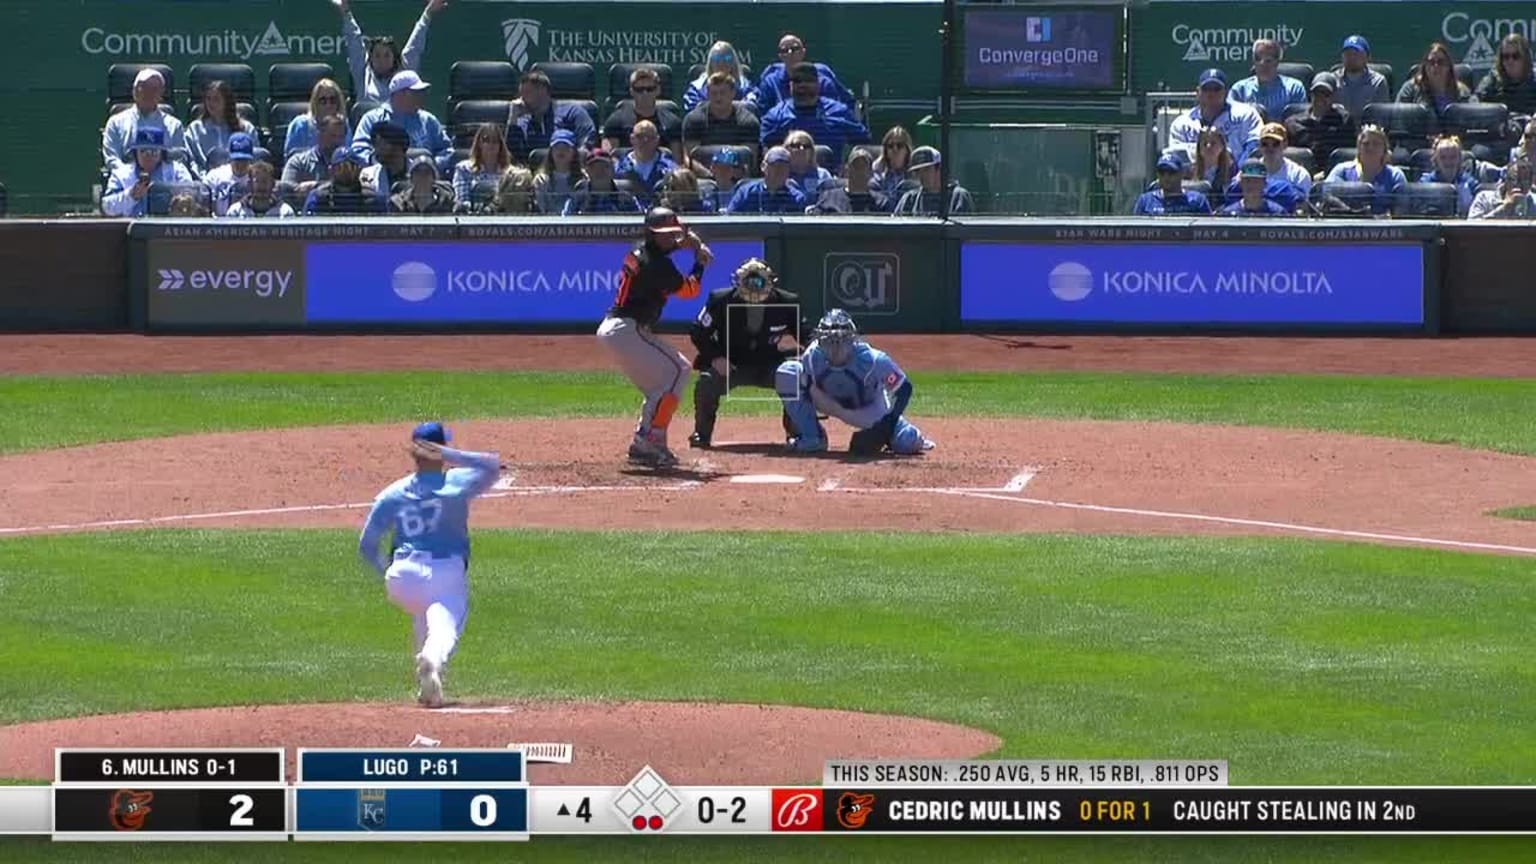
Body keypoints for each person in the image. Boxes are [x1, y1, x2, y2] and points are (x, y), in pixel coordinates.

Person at [357, 422, 500, 708]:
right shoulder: (456, 483)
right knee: (448, 620)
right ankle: (432, 659)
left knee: (426, 610)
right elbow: (491, 466)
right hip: (444, 571)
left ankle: (429, 689)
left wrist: (387, 570)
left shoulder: (393, 493)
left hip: (401, 576)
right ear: (441, 450)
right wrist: (450, 453)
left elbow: (367, 545)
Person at [595, 207, 714, 467]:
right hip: (627, 328)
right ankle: (651, 439)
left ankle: (645, 441)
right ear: (651, 233)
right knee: (679, 370)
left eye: (673, 233)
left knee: (660, 386)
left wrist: (685, 243)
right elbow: (690, 290)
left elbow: (664, 249)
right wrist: (700, 261)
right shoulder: (655, 264)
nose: (671, 238)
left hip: (620, 329)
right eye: (665, 234)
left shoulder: (643, 251)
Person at [775, 309, 934, 455]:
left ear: (853, 340)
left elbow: (904, 388)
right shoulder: (811, 356)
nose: (835, 348)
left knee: (908, 441)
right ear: (818, 340)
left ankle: (905, 437)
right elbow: (801, 388)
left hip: (866, 409)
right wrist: (796, 417)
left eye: (841, 341)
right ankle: (812, 438)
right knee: (788, 371)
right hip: (826, 399)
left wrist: (885, 426)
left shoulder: (873, 360)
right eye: (829, 341)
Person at [688, 258, 802, 448]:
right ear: (738, 281)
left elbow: (805, 333)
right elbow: (698, 331)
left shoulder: (787, 302)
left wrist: (810, 351)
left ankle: (797, 433)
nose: (754, 287)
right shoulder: (720, 300)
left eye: (759, 282)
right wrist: (715, 357)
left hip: (769, 364)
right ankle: (702, 433)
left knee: (796, 376)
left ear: (770, 281)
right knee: (707, 381)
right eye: (749, 282)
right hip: (731, 364)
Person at [759, 62, 870, 165]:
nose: (803, 84)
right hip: (787, 177)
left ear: (818, 83)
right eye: (797, 81)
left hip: (832, 177)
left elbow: (864, 142)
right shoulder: (775, 116)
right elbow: (766, 151)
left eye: (808, 80)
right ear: (790, 85)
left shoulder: (839, 112)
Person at [339, 0, 445, 104]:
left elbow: (415, 44)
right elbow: (354, 40)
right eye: (377, 56)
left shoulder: (404, 69)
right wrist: (346, 12)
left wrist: (428, 13)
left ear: (394, 57)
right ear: (370, 59)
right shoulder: (363, 73)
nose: (382, 60)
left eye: (387, 55)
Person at [353, 71, 454, 173]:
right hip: (381, 179)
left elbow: (447, 150)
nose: (421, 96)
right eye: (415, 92)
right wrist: (380, 163)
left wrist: (432, 165)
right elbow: (358, 150)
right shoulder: (372, 119)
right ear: (398, 94)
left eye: (421, 92)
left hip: (422, 179)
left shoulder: (428, 120)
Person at [1168, 68, 1263, 164]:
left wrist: (1239, 171)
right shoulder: (1182, 124)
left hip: (1238, 175)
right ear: (1198, 92)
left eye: (1216, 89)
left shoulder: (1245, 114)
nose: (1211, 94)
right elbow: (1177, 156)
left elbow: (1254, 145)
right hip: (1195, 176)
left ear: (1226, 92)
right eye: (1206, 89)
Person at [102, 68, 186, 176]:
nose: (148, 93)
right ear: (134, 91)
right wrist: (129, 176)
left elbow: (178, 159)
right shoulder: (115, 123)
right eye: (144, 87)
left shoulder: (174, 126)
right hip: (126, 182)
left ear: (161, 93)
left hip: (164, 184)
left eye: (154, 89)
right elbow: (112, 158)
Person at [101, 127, 195, 217]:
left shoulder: (177, 171)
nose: (148, 156)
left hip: (167, 227)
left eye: (154, 151)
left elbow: (192, 196)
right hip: (131, 228)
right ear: (135, 153)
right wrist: (131, 196)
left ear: (162, 153)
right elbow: (107, 207)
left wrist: (180, 199)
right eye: (143, 151)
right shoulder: (121, 174)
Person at [752, 33, 856, 114]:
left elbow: (844, 102)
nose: (790, 53)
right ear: (780, 56)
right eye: (784, 50)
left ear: (803, 52)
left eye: (795, 49)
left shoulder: (823, 75)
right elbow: (764, 111)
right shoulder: (771, 80)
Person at [507, 70, 596, 161]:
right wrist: (512, 119)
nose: (522, 99)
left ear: (543, 91)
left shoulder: (572, 112)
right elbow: (514, 154)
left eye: (527, 93)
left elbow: (587, 140)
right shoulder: (523, 122)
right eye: (520, 94)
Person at [602, 67, 684, 160]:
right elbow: (609, 158)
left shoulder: (672, 122)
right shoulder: (616, 121)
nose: (645, 93)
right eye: (639, 89)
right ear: (631, 91)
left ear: (658, 90)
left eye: (650, 89)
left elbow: (677, 162)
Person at [1323, 124, 1407, 215]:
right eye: (1366, 144)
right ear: (1359, 148)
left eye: (1376, 144)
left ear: (1384, 149)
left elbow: (1402, 207)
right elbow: (1326, 194)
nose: (1370, 148)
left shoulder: (1395, 175)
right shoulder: (1342, 170)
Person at [682, 72, 762, 165]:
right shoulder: (693, 120)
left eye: (722, 93)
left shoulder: (748, 121)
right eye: (714, 93)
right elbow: (690, 159)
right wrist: (711, 174)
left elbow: (750, 162)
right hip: (703, 175)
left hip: (737, 175)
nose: (718, 97)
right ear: (707, 94)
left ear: (733, 93)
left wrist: (726, 174)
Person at [186, 80, 259, 178]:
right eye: (208, 99)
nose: (211, 103)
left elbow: (254, 160)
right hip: (206, 181)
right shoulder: (195, 129)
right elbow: (192, 162)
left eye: (216, 99)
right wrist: (206, 179)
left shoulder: (246, 129)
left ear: (227, 101)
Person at [1285, 72, 1357, 167]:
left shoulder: (1344, 122)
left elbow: (1349, 157)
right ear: (1310, 95)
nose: (1320, 98)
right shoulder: (1292, 124)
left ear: (1334, 96)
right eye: (1316, 93)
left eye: (1326, 94)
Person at [1229, 39, 1307, 120]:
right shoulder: (1239, 89)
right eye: (1258, 59)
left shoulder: (1294, 88)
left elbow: (1300, 121)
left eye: (1268, 60)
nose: (1262, 64)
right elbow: (1229, 119)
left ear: (1277, 62)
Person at [281, 114, 347, 207]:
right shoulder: (299, 161)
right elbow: (286, 188)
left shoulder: (352, 164)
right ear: (320, 135)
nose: (337, 141)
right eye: (332, 136)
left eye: (341, 137)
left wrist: (316, 186)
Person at [304, 145, 387, 214]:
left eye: (351, 167)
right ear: (331, 170)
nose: (345, 172)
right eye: (340, 167)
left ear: (359, 169)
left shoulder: (373, 198)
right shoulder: (319, 197)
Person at [892, 145, 973, 216]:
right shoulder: (909, 199)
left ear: (940, 169)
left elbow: (962, 231)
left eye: (926, 169)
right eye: (918, 171)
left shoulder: (958, 197)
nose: (922, 175)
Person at [725, 146, 809, 214]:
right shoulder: (745, 193)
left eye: (784, 167)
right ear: (763, 166)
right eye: (774, 165)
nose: (779, 170)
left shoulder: (797, 198)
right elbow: (730, 218)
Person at [1397, 42, 1471, 118]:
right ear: (1424, 66)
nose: (1436, 66)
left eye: (1441, 62)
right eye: (1431, 62)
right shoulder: (1410, 89)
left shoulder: (1462, 91)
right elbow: (1397, 117)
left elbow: (1472, 119)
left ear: (1449, 66)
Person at [615, 119, 679, 206]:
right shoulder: (618, 168)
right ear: (632, 139)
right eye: (640, 136)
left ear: (657, 140)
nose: (645, 140)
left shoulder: (670, 169)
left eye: (650, 137)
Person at [452, 123, 512, 212]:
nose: (491, 144)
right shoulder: (464, 169)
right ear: (478, 143)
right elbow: (463, 200)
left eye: (495, 141)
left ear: (501, 145)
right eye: (486, 140)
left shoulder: (511, 173)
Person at [563, 148, 643, 214]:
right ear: (587, 171)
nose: (600, 171)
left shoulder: (626, 199)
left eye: (604, 167)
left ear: (612, 169)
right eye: (594, 167)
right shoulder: (577, 199)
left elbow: (640, 221)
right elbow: (564, 222)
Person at [284, 79, 351, 158]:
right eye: (323, 101)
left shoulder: (343, 125)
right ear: (315, 103)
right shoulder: (300, 125)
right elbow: (291, 157)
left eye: (332, 100)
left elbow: (349, 154)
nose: (328, 105)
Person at [812, 147, 891, 214]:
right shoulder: (828, 198)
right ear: (847, 170)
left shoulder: (881, 203)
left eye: (863, 167)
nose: (859, 171)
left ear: (870, 173)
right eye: (855, 166)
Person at [1475, 34, 1536, 116]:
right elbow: (1475, 105)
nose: (1510, 61)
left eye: (1516, 56)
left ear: (1525, 58)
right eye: (1506, 57)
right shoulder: (1492, 81)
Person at [1132, 152, 1212, 215]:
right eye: (1162, 172)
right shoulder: (1145, 201)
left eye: (1171, 172)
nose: (1166, 177)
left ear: (1182, 173)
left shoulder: (1197, 200)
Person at [1419, 136, 1481, 217]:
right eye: (1443, 157)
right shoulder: (1425, 184)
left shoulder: (1470, 183)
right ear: (1436, 160)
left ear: (1459, 159)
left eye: (1453, 157)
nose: (1448, 162)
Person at [682, 41, 751, 112]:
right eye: (716, 58)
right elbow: (692, 109)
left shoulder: (744, 86)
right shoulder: (697, 88)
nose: (721, 62)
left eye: (727, 58)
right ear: (710, 62)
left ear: (733, 61)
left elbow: (751, 104)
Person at [1332, 35, 1391, 118]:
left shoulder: (1378, 82)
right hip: (1339, 129)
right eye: (1347, 54)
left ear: (1367, 57)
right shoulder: (1332, 80)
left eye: (1356, 54)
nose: (1351, 57)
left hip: (1368, 128)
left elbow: (1383, 115)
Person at [202, 132, 257, 217]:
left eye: (244, 160)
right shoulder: (214, 176)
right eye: (237, 160)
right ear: (230, 157)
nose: (240, 164)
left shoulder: (258, 178)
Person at [1253, 122, 1312, 196]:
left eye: (1276, 144)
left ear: (1285, 144)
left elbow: (1302, 205)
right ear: (1259, 146)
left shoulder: (1298, 175)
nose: (1270, 148)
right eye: (1265, 144)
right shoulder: (1250, 172)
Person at [532, 130, 584, 215]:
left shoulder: (582, 179)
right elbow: (541, 209)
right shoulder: (541, 180)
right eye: (557, 147)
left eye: (566, 147)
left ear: (574, 152)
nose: (561, 151)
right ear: (551, 152)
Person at [1469, 157, 1536, 219]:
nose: (1519, 185)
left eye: (1525, 181)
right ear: (1506, 180)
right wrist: (1505, 208)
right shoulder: (1484, 198)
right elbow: (1471, 227)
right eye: (1515, 180)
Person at [360, 121, 411, 200]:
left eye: (380, 144)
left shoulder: (421, 172)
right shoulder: (368, 174)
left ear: (396, 146)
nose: (375, 150)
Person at [1219, 160, 1292, 216]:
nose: (1251, 185)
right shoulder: (1228, 214)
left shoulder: (1277, 213)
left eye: (1256, 181)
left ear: (1264, 184)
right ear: (1240, 183)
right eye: (1247, 180)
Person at [225, 162, 296, 218]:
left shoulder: (285, 212)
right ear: (249, 184)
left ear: (273, 184)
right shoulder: (235, 211)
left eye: (265, 181)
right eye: (257, 181)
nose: (261, 186)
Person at [391, 156, 456, 213]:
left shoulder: (447, 204)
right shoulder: (400, 203)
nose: (422, 176)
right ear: (411, 178)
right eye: (418, 172)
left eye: (427, 172)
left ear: (434, 178)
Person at [784, 130, 832, 199]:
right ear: (787, 149)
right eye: (797, 145)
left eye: (806, 146)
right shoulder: (782, 174)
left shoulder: (823, 174)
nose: (802, 149)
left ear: (811, 152)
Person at [1193, 126, 1237, 201]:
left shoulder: (1232, 171)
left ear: (1222, 146)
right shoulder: (1190, 171)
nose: (1208, 146)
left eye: (1213, 143)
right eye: (1204, 143)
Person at [872, 126, 913, 202]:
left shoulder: (915, 174)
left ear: (907, 150)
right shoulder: (878, 175)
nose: (895, 149)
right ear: (886, 151)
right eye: (890, 146)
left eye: (899, 146)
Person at [702, 147, 746, 212]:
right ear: (712, 169)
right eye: (719, 167)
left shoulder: (742, 194)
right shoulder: (705, 193)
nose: (723, 171)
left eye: (727, 168)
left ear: (735, 171)